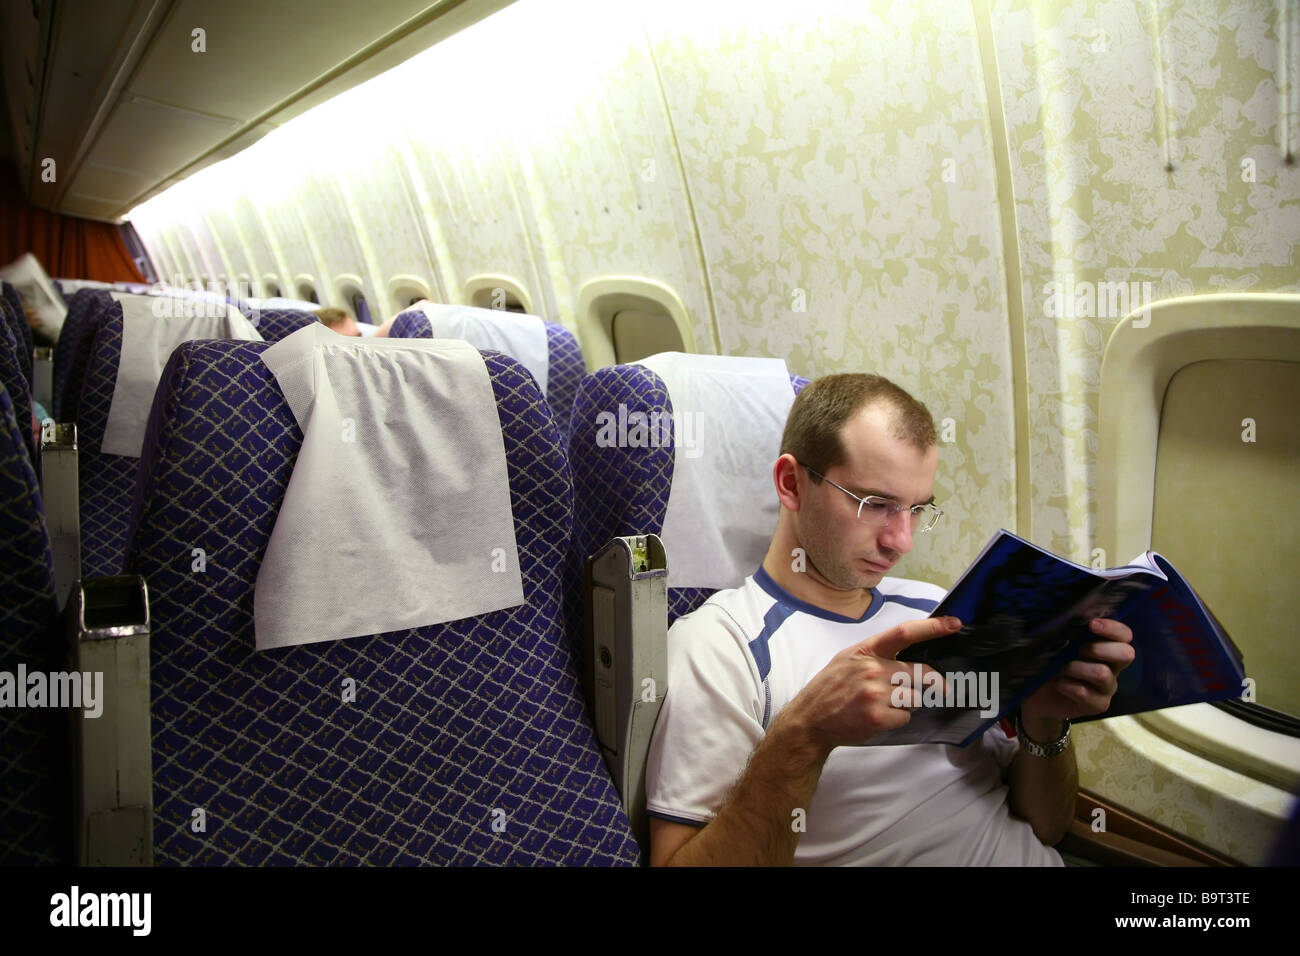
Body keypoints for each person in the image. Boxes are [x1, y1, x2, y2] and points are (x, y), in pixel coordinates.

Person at [644, 373, 1136, 866]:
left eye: (917, 509)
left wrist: (1044, 722)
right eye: (875, 504)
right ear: (792, 484)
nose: (901, 541)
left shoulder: (936, 611)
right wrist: (806, 733)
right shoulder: (720, 646)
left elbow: (1046, 829)